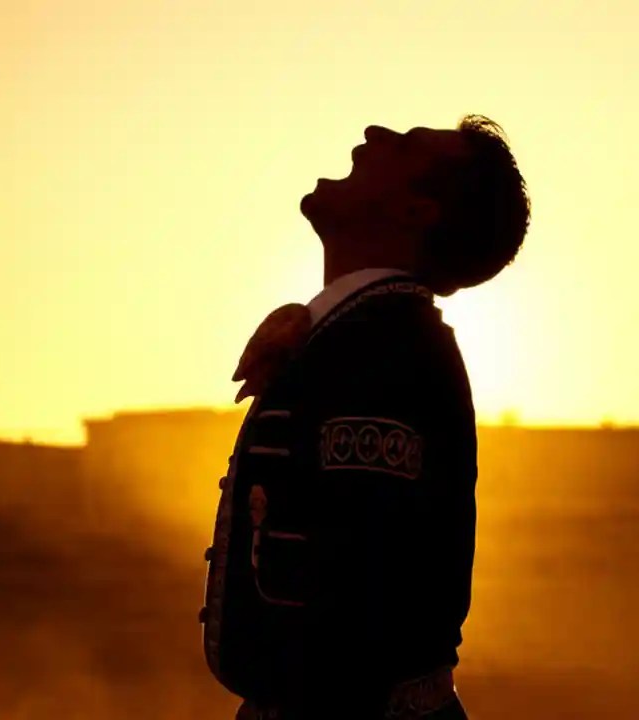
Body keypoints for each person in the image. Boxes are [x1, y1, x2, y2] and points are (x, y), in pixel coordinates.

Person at [200, 115, 530, 719]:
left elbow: (357, 625)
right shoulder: (355, 340)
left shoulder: (387, 359)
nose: (377, 132)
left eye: (406, 145)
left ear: (417, 211)